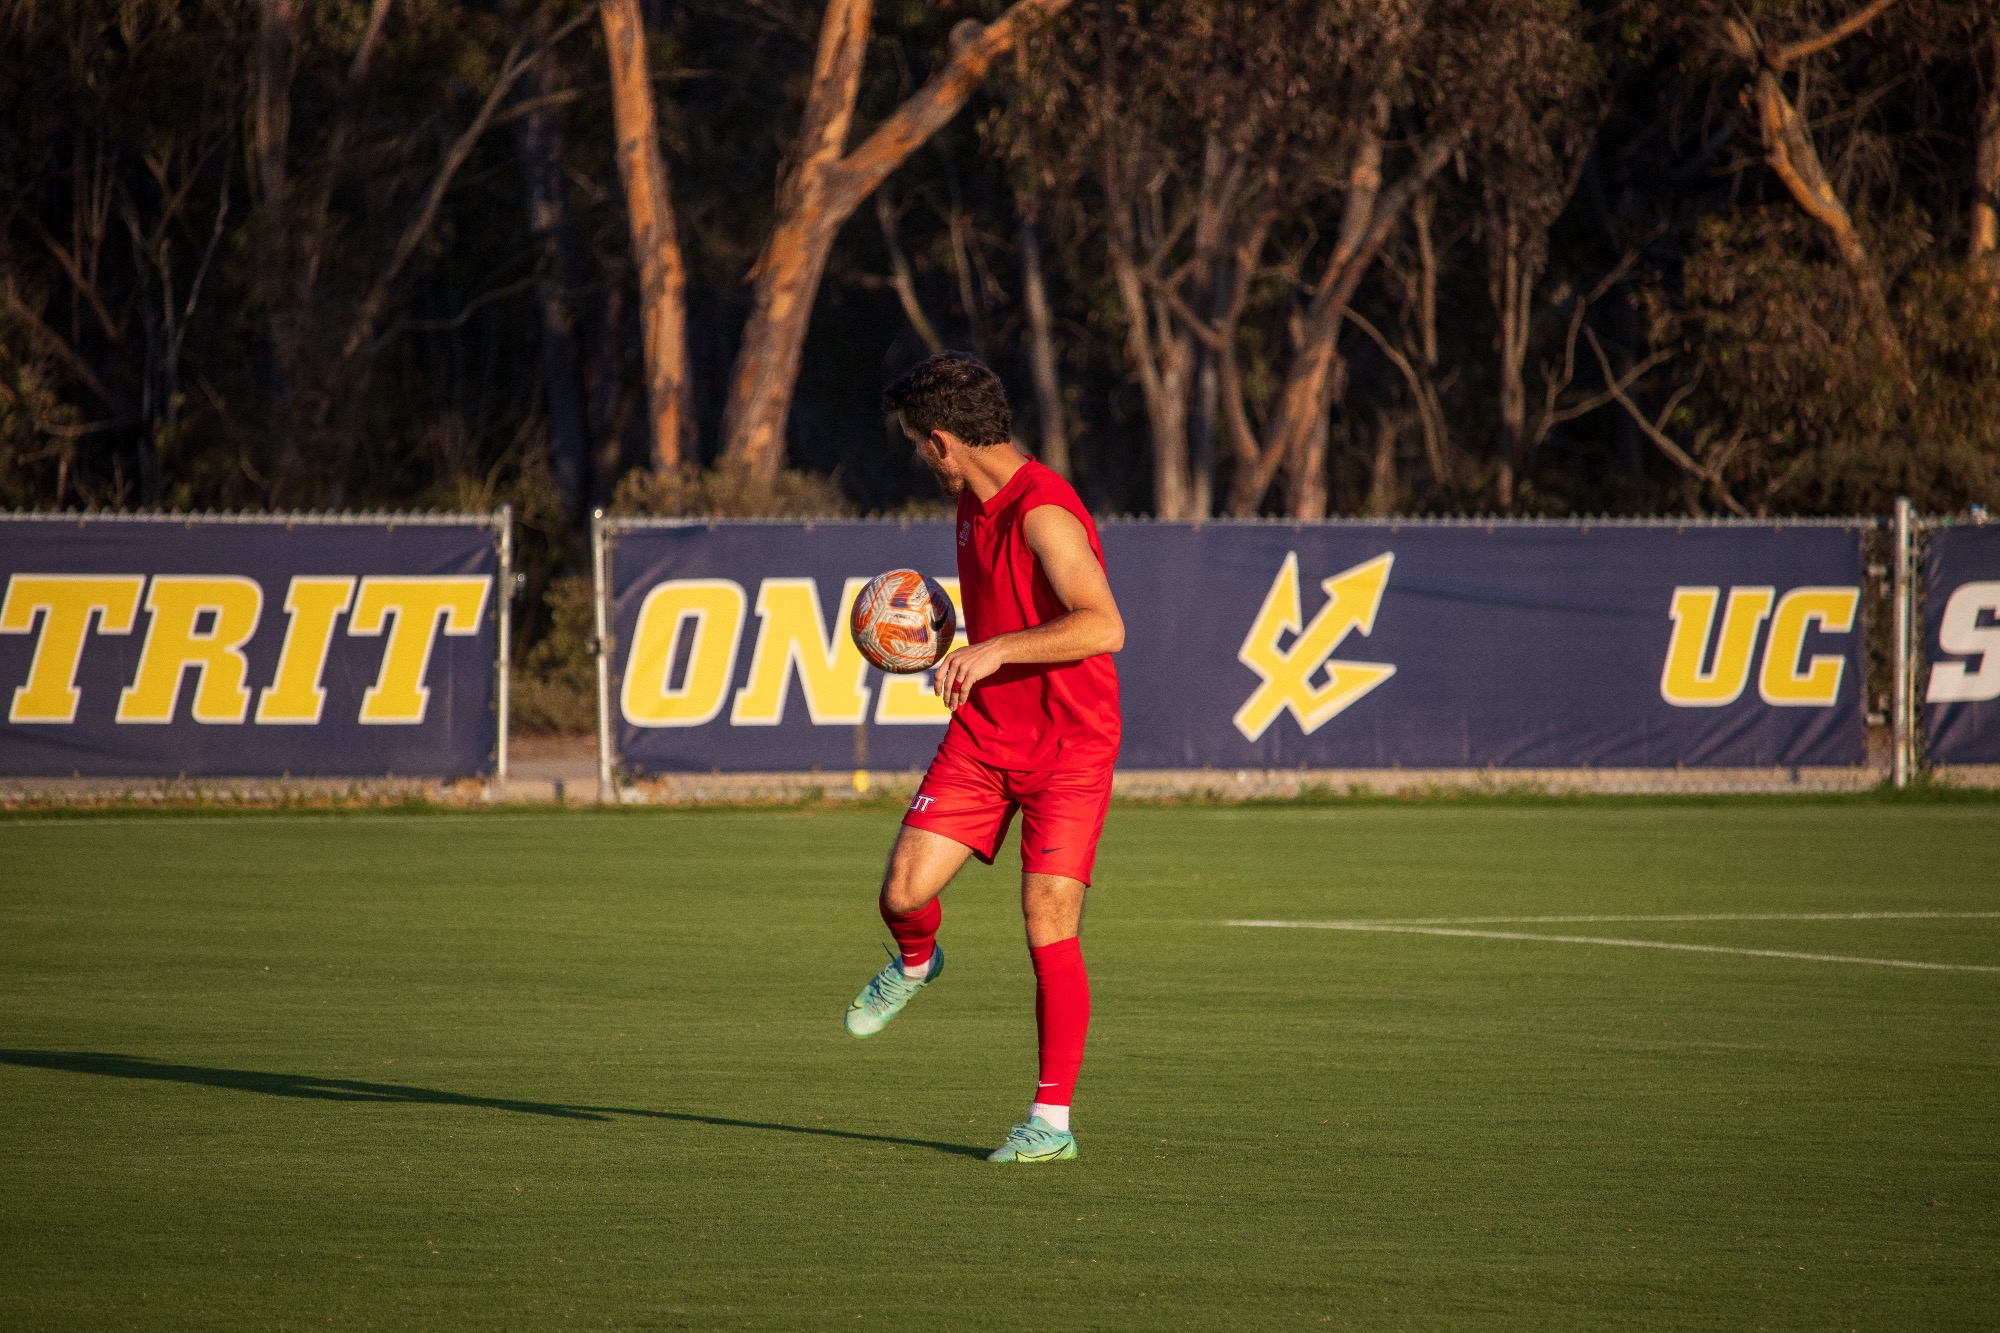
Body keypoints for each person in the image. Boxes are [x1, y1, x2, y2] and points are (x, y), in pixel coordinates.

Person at [844, 351, 1124, 1165]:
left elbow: (1104, 625)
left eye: (915, 444)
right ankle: (919, 961)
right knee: (902, 893)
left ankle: (1051, 1123)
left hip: (1070, 748)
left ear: (943, 441)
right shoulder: (971, 500)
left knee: (1048, 924)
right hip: (986, 737)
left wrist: (994, 648)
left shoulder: (1045, 512)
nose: (919, 459)